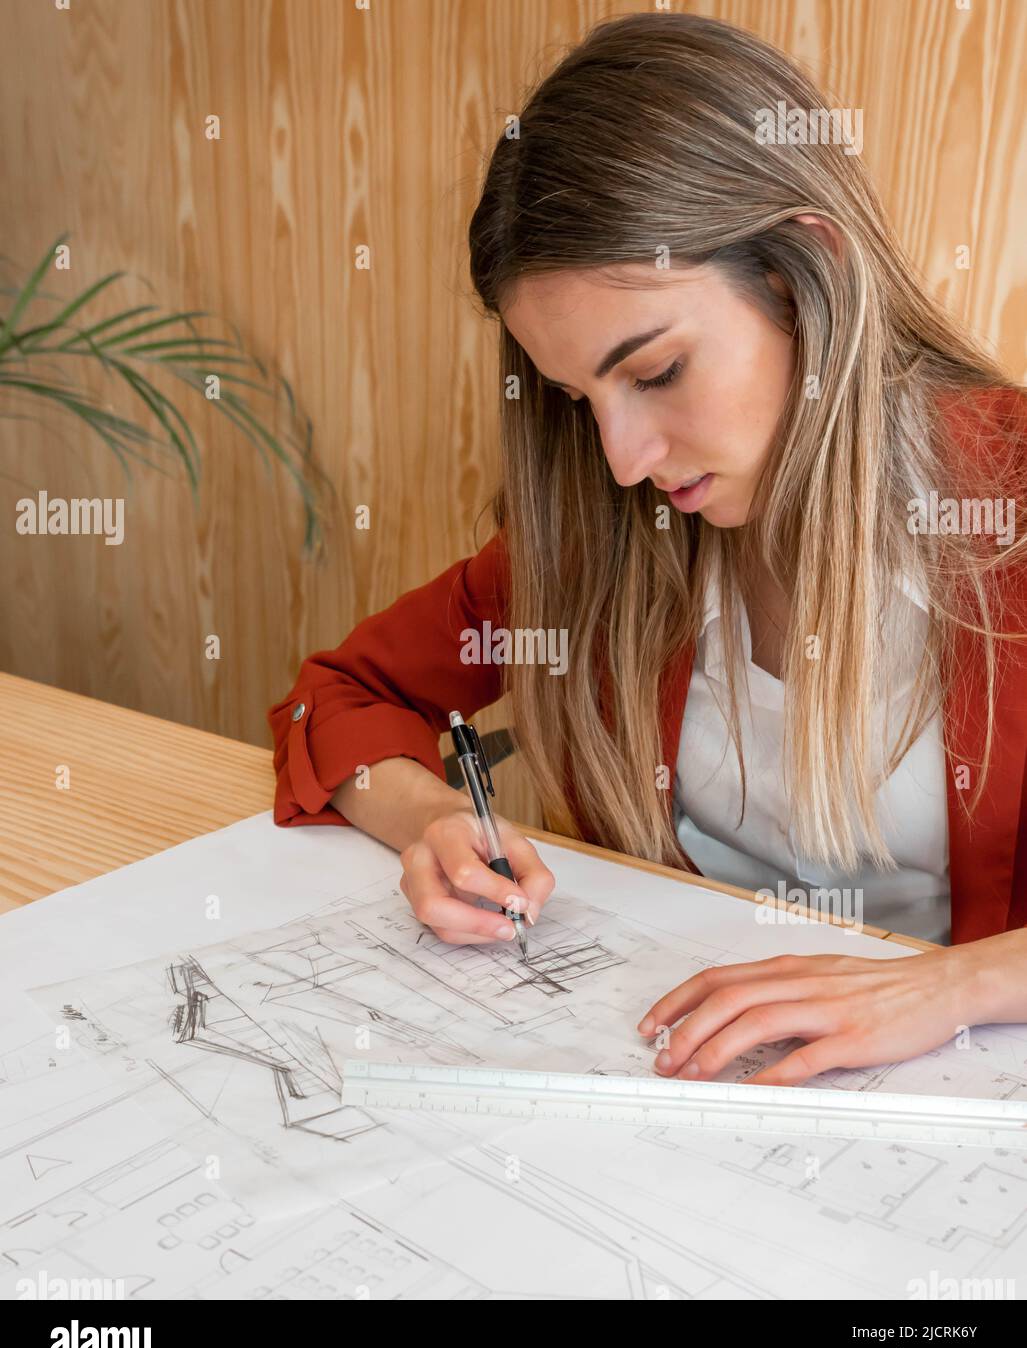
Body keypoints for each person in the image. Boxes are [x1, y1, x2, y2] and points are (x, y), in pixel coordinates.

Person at [269, 13, 1027, 1086]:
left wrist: (956, 984)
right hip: (668, 1080)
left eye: (657, 370)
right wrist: (434, 819)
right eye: (581, 399)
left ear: (804, 272)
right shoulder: (606, 533)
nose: (624, 460)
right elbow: (341, 698)